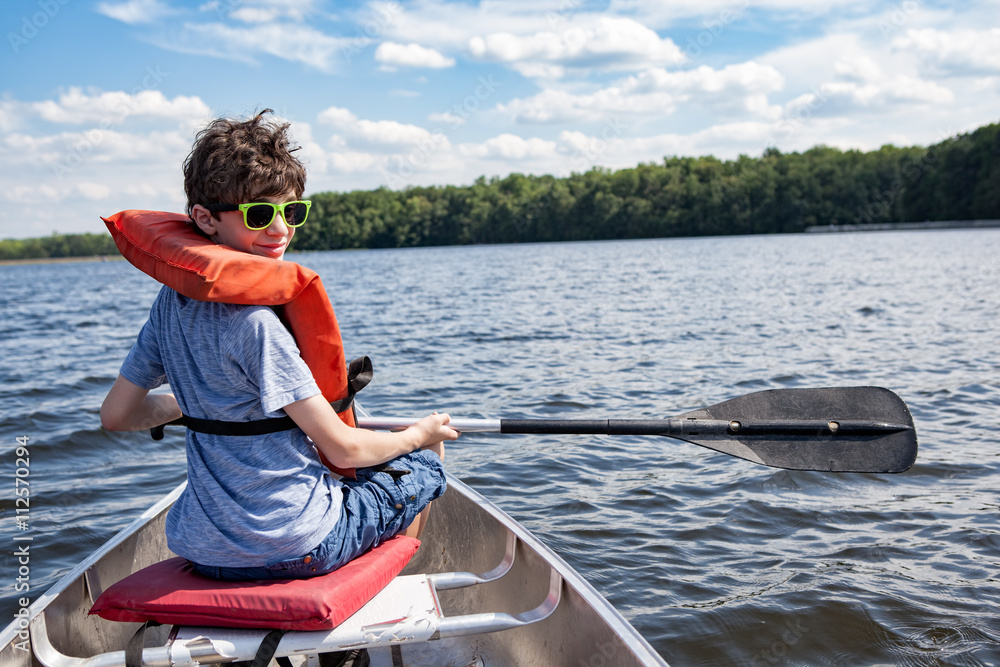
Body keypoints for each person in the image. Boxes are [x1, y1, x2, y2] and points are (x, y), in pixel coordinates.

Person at [100, 109, 458, 582]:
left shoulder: (170, 305)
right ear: (205, 219)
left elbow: (116, 416)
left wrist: (190, 402)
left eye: (291, 212)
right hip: (295, 546)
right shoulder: (256, 325)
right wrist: (420, 434)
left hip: (203, 549)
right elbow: (344, 449)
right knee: (422, 467)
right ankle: (372, 598)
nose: (280, 230)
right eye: (260, 213)